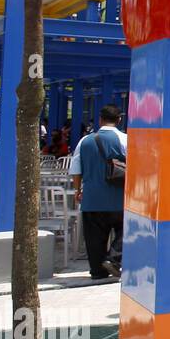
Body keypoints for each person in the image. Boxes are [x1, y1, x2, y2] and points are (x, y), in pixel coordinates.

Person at [69, 105, 127, 280]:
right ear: (119, 120)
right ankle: (114, 259)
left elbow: (76, 170)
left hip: (92, 199)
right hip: (119, 198)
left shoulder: (84, 141)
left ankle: (97, 271)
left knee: (94, 238)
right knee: (126, 230)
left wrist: (78, 191)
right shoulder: (125, 140)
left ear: (100, 119)